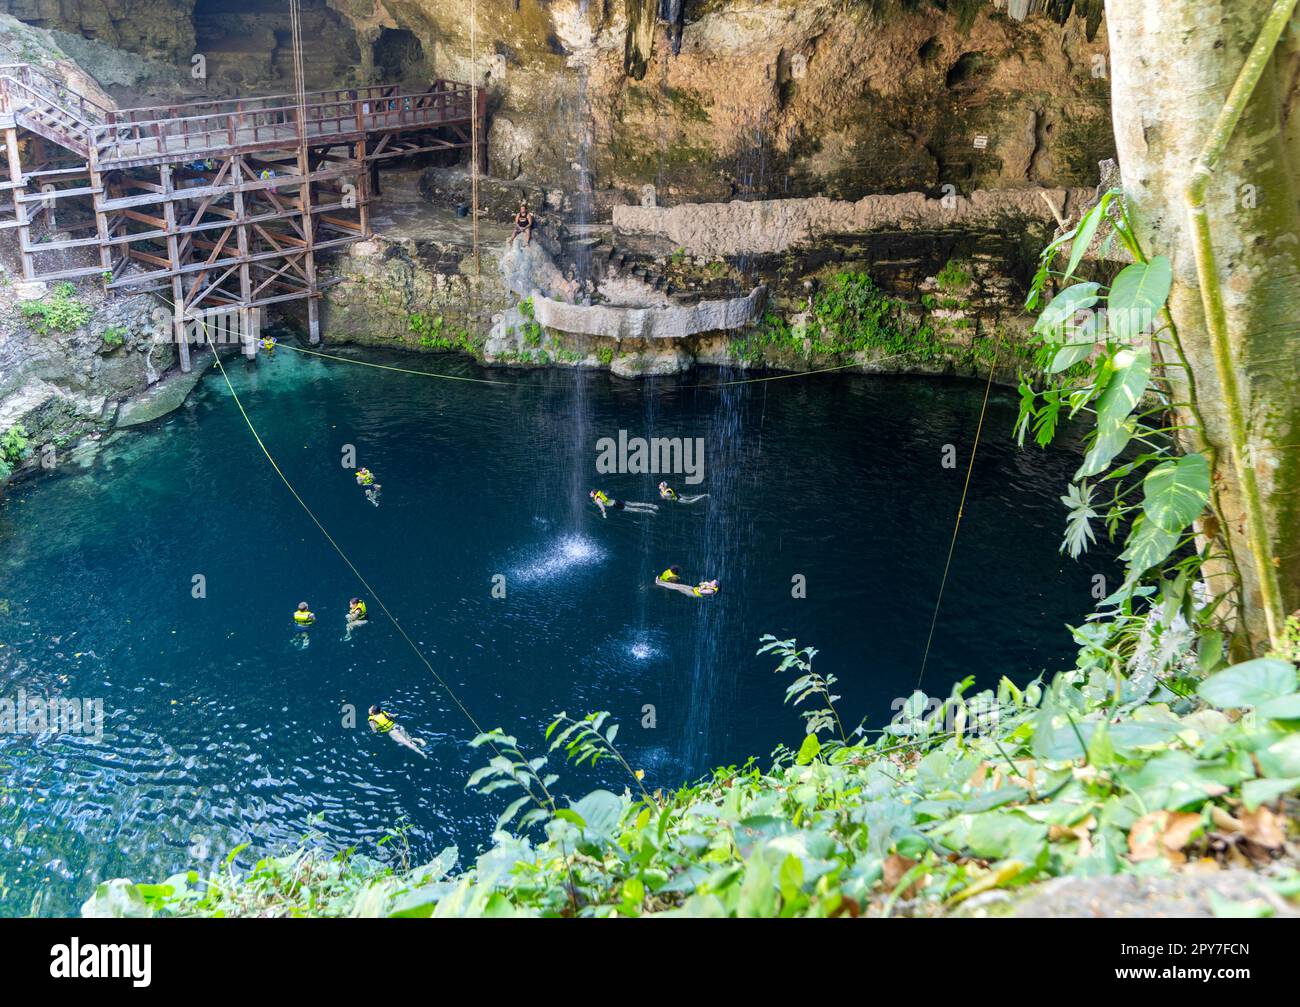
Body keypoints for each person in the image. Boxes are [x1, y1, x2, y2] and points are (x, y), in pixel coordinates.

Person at [590, 489, 657, 519]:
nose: (590, 494)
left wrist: (604, 514)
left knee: (632, 509)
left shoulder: (597, 500)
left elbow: (602, 507)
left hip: (616, 505)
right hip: (617, 501)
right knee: (633, 504)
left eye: (591, 493)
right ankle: (651, 505)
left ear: (594, 494)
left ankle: (649, 511)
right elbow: (606, 494)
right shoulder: (600, 493)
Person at [655, 576, 720, 598]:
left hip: (694, 593)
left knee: (678, 588)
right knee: (678, 585)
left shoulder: (711, 591)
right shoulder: (710, 585)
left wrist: (705, 585)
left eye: (712, 582)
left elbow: (700, 592)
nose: (711, 581)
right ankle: (660, 582)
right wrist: (704, 583)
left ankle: (660, 583)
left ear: (714, 585)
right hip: (693, 588)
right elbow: (700, 583)